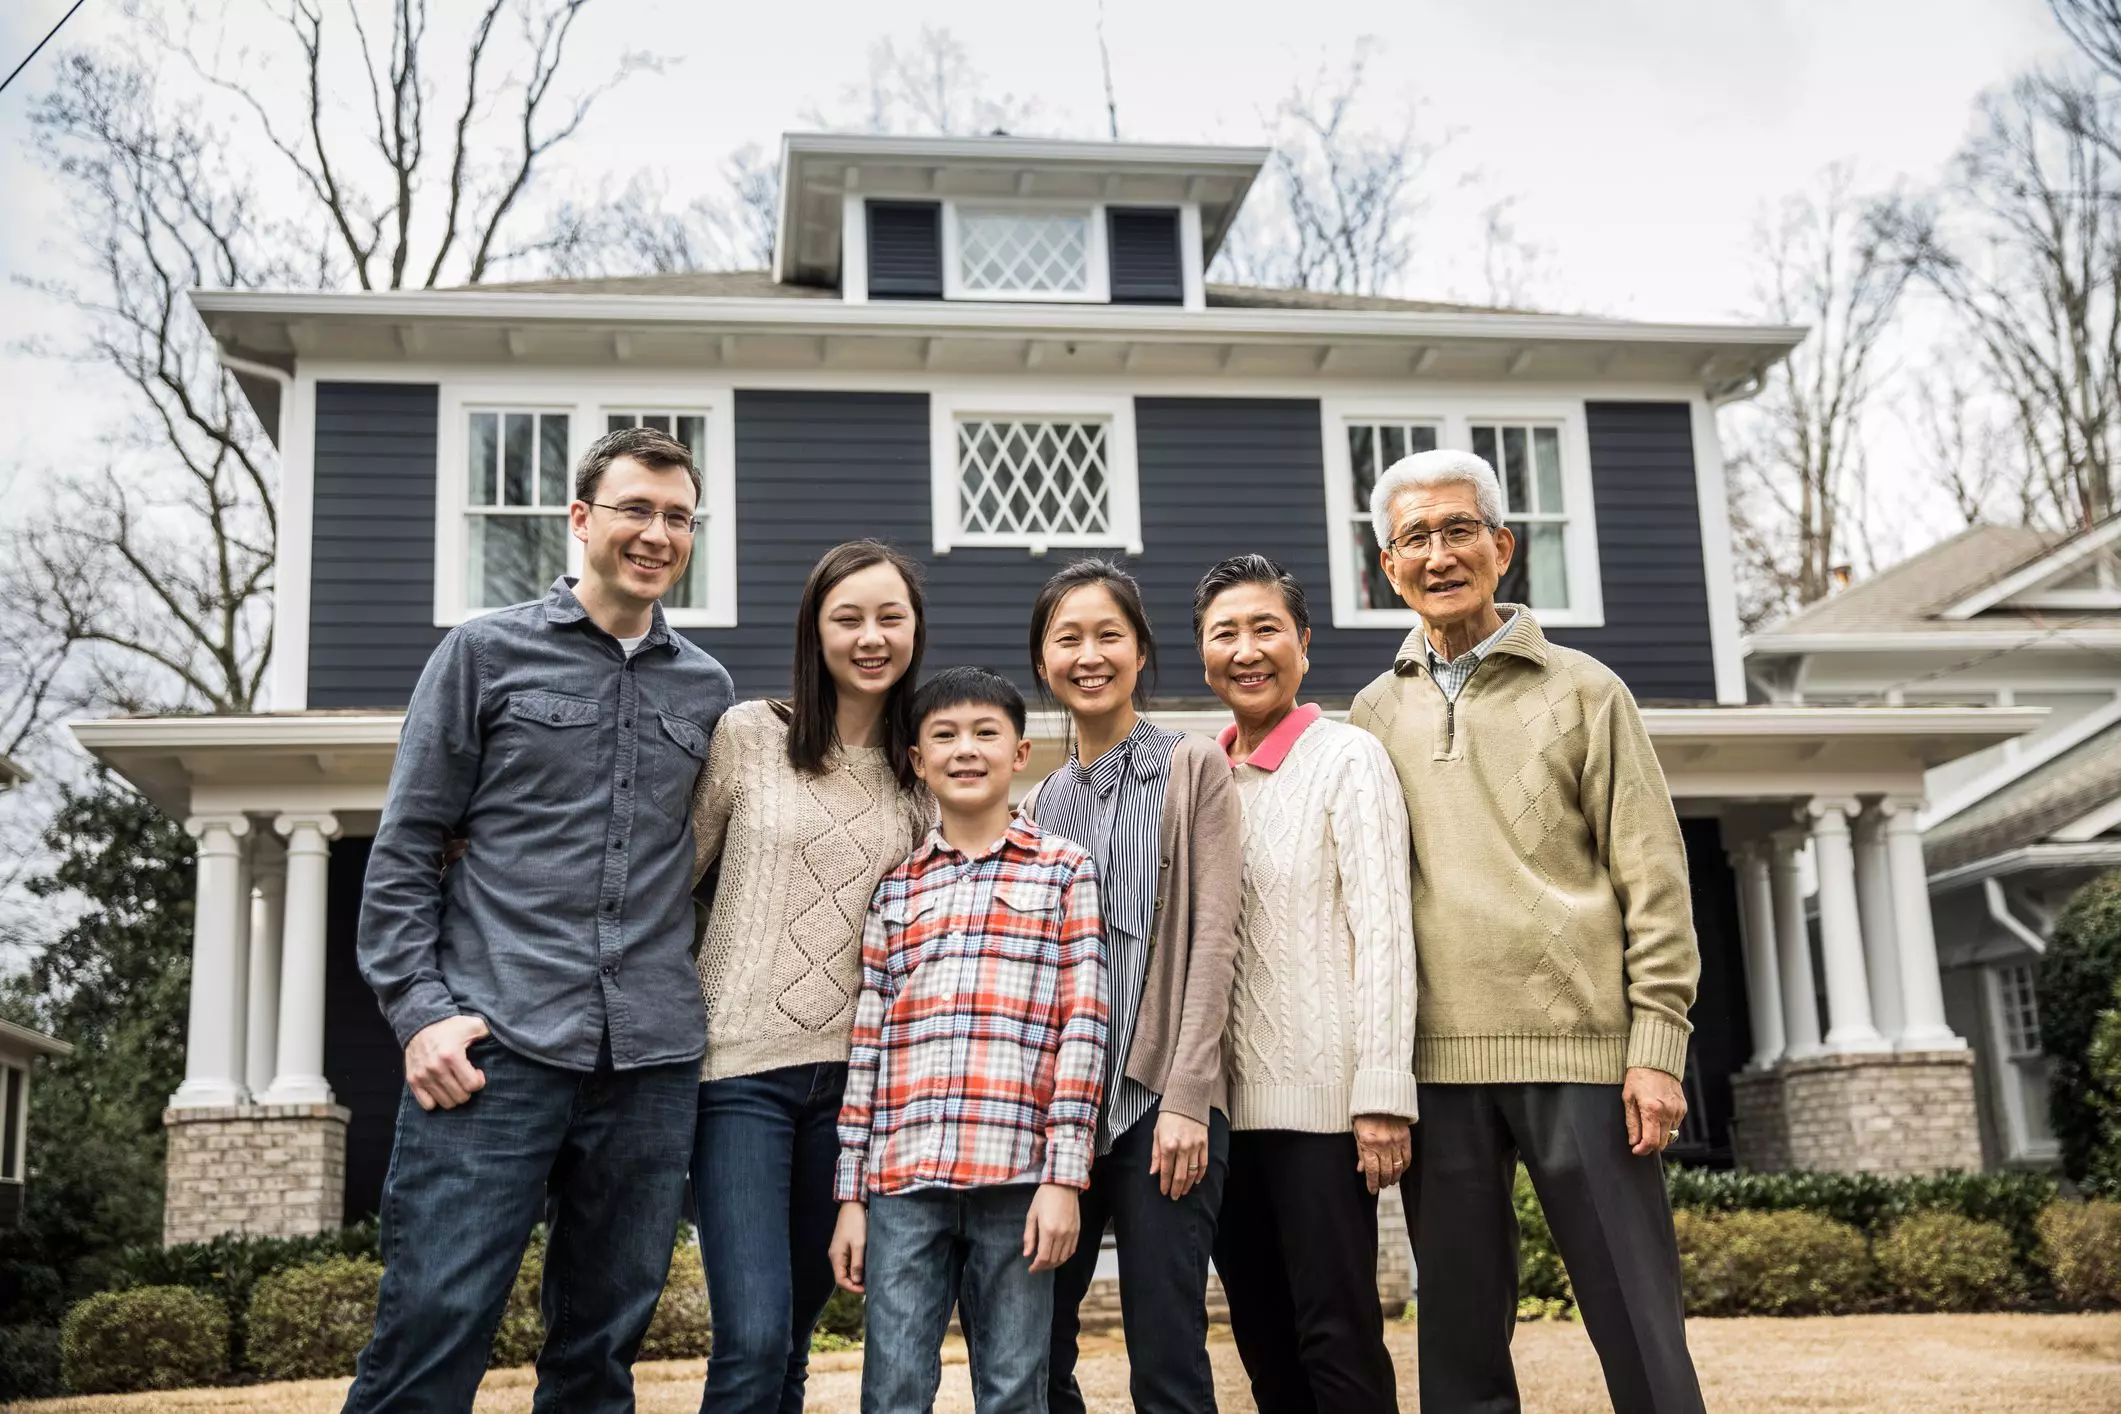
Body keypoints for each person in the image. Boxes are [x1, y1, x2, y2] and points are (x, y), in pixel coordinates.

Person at [348, 425, 734, 1413]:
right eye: (635, 509)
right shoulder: (483, 654)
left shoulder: (708, 690)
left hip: (648, 1063)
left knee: (599, 1358)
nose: (656, 533)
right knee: (432, 1333)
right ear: (581, 519)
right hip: (496, 1048)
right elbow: (403, 852)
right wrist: (419, 1010)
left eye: (677, 516)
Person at [1348, 447, 1705, 1414]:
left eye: (1458, 529)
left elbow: (1654, 876)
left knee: (1638, 1322)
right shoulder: (1371, 714)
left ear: (1501, 547)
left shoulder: (1587, 691)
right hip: (1437, 1061)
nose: (1437, 553)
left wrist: (1656, 1047)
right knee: (1458, 1340)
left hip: (1586, 1054)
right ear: (1388, 567)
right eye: (1412, 537)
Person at [687, 540, 935, 1414]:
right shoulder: (750, 735)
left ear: (913, 631)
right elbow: (662, 884)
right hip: (738, 1075)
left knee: (792, 1340)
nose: (871, 637)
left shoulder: (923, 777)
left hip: (855, 1092)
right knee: (750, 1341)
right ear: (814, 629)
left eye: (889, 617)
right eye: (848, 618)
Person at [827, 666, 1108, 1414]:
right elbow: (868, 1047)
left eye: (986, 733)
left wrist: (1063, 1177)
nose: (965, 750)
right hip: (901, 1183)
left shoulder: (1063, 873)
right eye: (943, 736)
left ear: (1019, 753)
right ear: (917, 760)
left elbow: (1082, 1029)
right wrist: (850, 1194)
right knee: (891, 1392)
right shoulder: (897, 890)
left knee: (1015, 1389)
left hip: (1015, 1178)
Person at [1020, 559, 1244, 1414]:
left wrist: (1189, 1097)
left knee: (1166, 1356)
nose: (1089, 654)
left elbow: (1215, 936)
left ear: (1141, 651)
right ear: (1043, 661)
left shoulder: (1192, 766)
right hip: (1063, 1115)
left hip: (1164, 1105)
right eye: (1066, 638)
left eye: (1107, 635)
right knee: (1036, 1347)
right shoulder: (1035, 803)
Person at [1193, 554, 1416, 1414]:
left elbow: (1384, 927)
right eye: (1225, 634)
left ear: (1303, 645)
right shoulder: (1198, 773)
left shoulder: (1346, 757)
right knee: (1260, 1343)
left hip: (1324, 1111)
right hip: (1220, 1114)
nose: (1246, 651)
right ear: (1201, 652)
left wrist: (1381, 1093)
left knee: (1338, 1340)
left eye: (1265, 629)